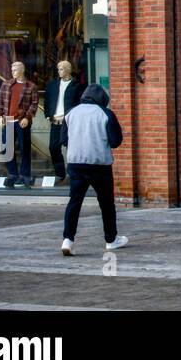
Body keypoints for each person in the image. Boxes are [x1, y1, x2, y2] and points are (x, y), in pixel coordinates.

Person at [60, 84, 128, 255]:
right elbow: (115, 141)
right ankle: (111, 239)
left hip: (76, 163)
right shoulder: (105, 114)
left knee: (74, 202)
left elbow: (63, 139)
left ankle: (68, 240)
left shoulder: (70, 113)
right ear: (103, 99)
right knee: (106, 204)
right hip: (99, 165)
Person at [44, 60, 86, 187]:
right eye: (58, 69)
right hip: (55, 121)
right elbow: (47, 101)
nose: (59, 71)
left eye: (61, 68)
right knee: (53, 147)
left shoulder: (77, 85)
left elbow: (80, 104)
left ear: (68, 69)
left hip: (69, 121)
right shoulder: (52, 85)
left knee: (71, 148)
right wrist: (47, 115)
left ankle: (72, 174)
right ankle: (60, 174)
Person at [0, 60, 38, 188]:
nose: (12, 72)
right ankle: (13, 174)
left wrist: (27, 117)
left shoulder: (31, 86)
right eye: (12, 69)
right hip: (8, 121)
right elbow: (0, 102)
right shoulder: (6, 84)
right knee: (6, 149)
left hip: (22, 121)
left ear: (22, 70)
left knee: (25, 149)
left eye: (15, 69)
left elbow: (34, 104)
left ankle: (25, 176)